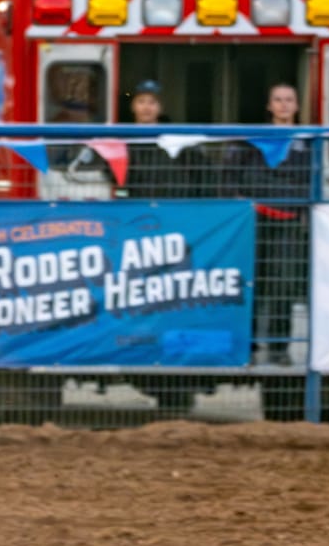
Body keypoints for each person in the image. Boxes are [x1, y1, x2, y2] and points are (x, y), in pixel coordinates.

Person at [222, 83, 312, 368]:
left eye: (289, 100)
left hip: (289, 223)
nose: (284, 105)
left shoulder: (309, 141)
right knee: (253, 284)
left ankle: (279, 349)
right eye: (278, 100)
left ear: (297, 106)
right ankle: (248, 347)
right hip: (255, 221)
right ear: (269, 106)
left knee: (283, 286)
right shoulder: (253, 140)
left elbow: (312, 180)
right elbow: (230, 176)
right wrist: (240, 202)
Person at [120, 79, 210, 199]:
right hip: (137, 204)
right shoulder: (124, 141)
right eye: (141, 102)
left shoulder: (177, 139)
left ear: (160, 108)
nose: (146, 107)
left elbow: (201, 174)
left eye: (152, 102)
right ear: (133, 106)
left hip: (172, 204)